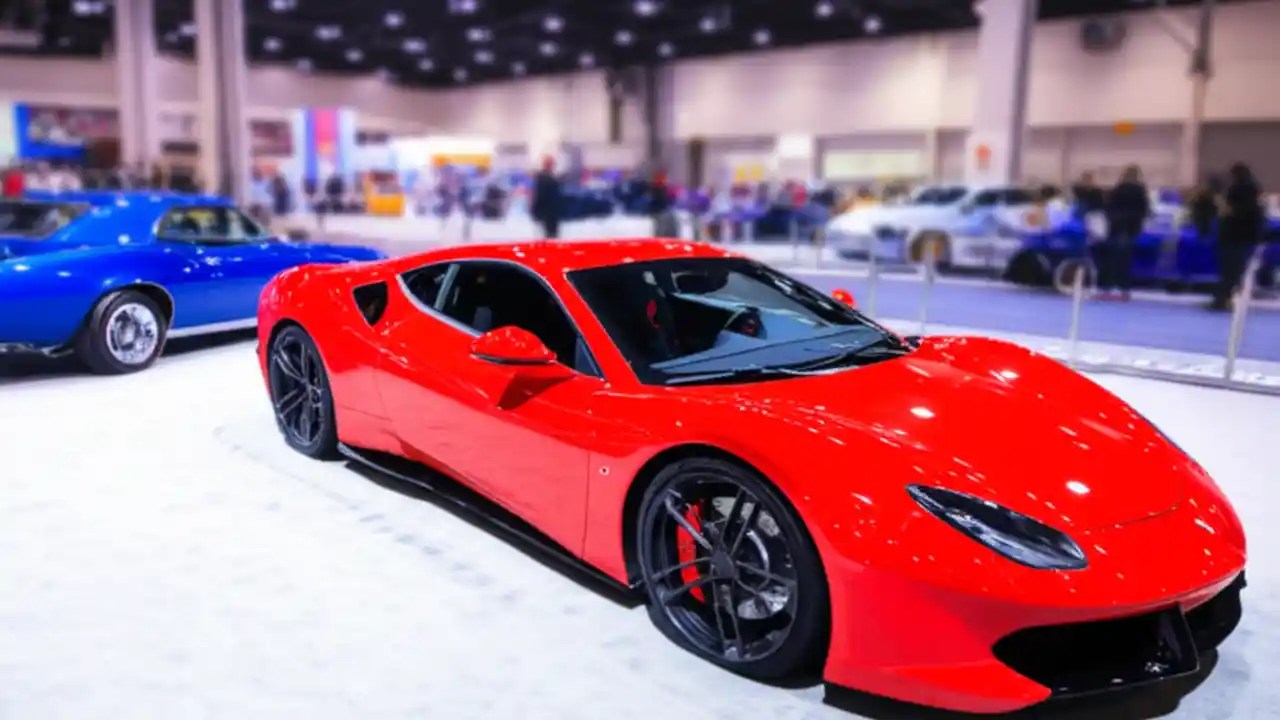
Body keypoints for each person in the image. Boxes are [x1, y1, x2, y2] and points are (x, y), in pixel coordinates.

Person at [1209, 163, 1264, 311]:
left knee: (1229, 270)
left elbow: (1228, 211)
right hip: (1244, 237)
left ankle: (1222, 299)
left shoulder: (1238, 192)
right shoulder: (1253, 195)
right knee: (1236, 270)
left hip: (1233, 236)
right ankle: (1231, 298)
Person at [1097, 165, 1150, 300]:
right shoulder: (1140, 191)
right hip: (1130, 229)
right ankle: (1124, 289)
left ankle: (1105, 288)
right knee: (1125, 260)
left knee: (1110, 260)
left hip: (1115, 227)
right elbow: (1144, 211)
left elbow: (1108, 208)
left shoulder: (1117, 190)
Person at [531, 156, 563, 239]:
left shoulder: (551, 177)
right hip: (547, 212)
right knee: (548, 234)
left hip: (553, 212)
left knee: (552, 233)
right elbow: (540, 195)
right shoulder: (543, 178)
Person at [650, 170, 678, 237]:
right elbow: (659, 201)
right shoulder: (657, 189)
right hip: (658, 211)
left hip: (662, 211)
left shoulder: (663, 189)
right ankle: (659, 238)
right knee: (661, 227)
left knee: (666, 225)